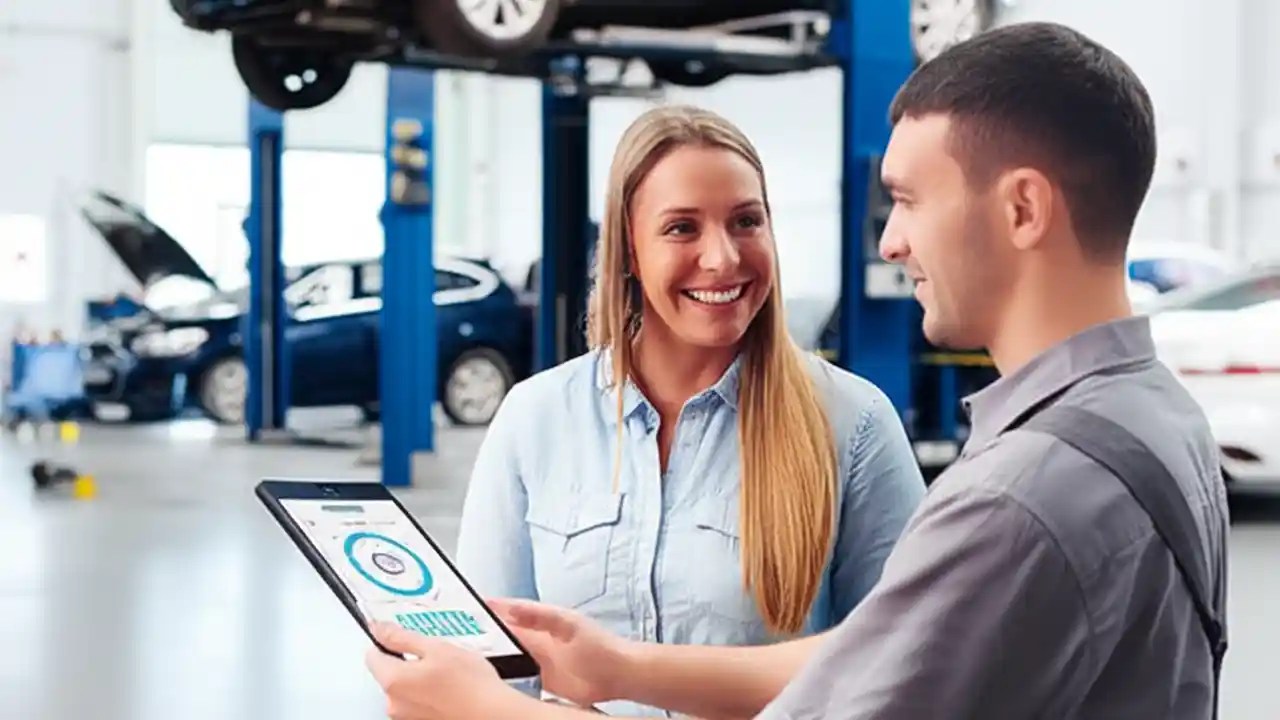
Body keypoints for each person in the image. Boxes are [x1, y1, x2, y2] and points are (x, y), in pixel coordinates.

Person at [363, 21, 1231, 719]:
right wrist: (621, 668)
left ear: (1022, 208)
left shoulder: (1002, 488)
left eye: (909, 199)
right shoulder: (1154, 418)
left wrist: (486, 712)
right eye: (679, 228)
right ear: (625, 249)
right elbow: (890, 650)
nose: (889, 240)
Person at [443, 104, 927, 717]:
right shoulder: (534, 418)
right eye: (681, 228)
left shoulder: (852, 425)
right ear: (628, 248)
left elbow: (905, 671)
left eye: (746, 221)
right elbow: (490, 675)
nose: (723, 258)